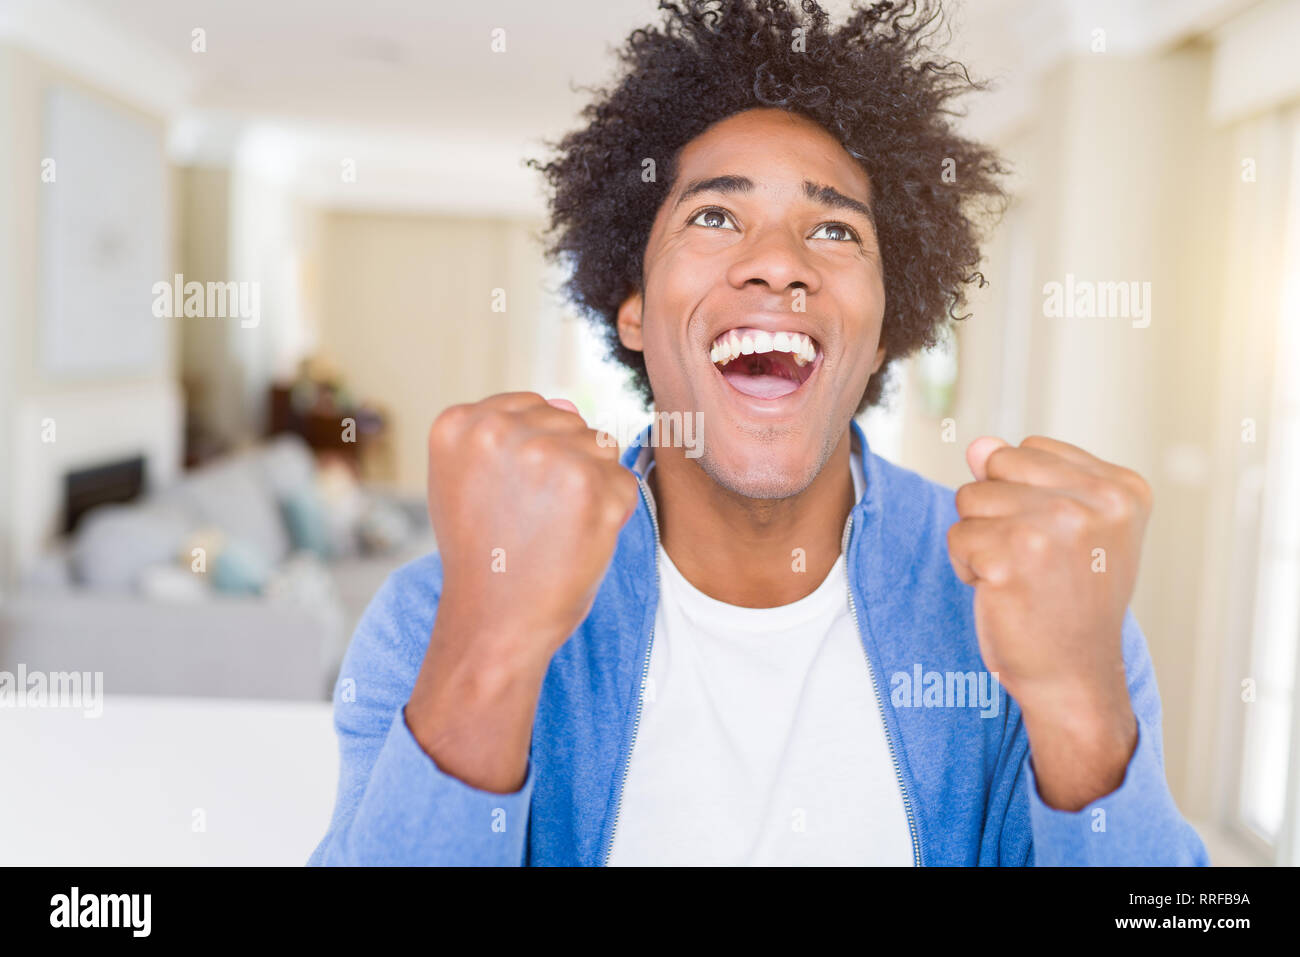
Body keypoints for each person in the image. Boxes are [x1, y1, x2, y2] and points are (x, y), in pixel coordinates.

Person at [310, 0, 1208, 866]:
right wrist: (491, 645)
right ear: (631, 304)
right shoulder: (440, 614)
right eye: (713, 215)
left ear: (888, 326)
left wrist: (1082, 706)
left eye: (833, 228)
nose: (779, 262)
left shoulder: (1042, 606)